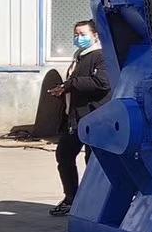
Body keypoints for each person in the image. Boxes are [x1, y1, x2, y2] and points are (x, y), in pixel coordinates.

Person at [47, 19, 110, 216]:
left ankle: (93, 203)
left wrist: (70, 84)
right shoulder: (80, 56)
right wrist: (64, 88)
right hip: (75, 117)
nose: (78, 38)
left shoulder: (101, 56)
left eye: (83, 34)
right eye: (76, 34)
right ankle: (71, 198)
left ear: (95, 36)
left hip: (94, 117)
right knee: (64, 155)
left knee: (93, 161)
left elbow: (102, 83)